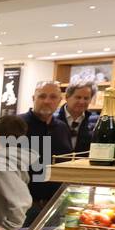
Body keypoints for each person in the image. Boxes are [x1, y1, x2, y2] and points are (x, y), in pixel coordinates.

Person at [22, 80, 72, 219]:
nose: (47, 101)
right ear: (34, 98)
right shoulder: (17, 124)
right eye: (42, 96)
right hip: (22, 207)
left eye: (53, 97)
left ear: (60, 101)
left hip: (55, 206)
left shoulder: (62, 128)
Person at [55, 81, 98, 152]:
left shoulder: (96, 121)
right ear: (67, 97)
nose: (82, 102)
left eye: (86, 98)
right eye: (78, 97)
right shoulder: (52, 118)